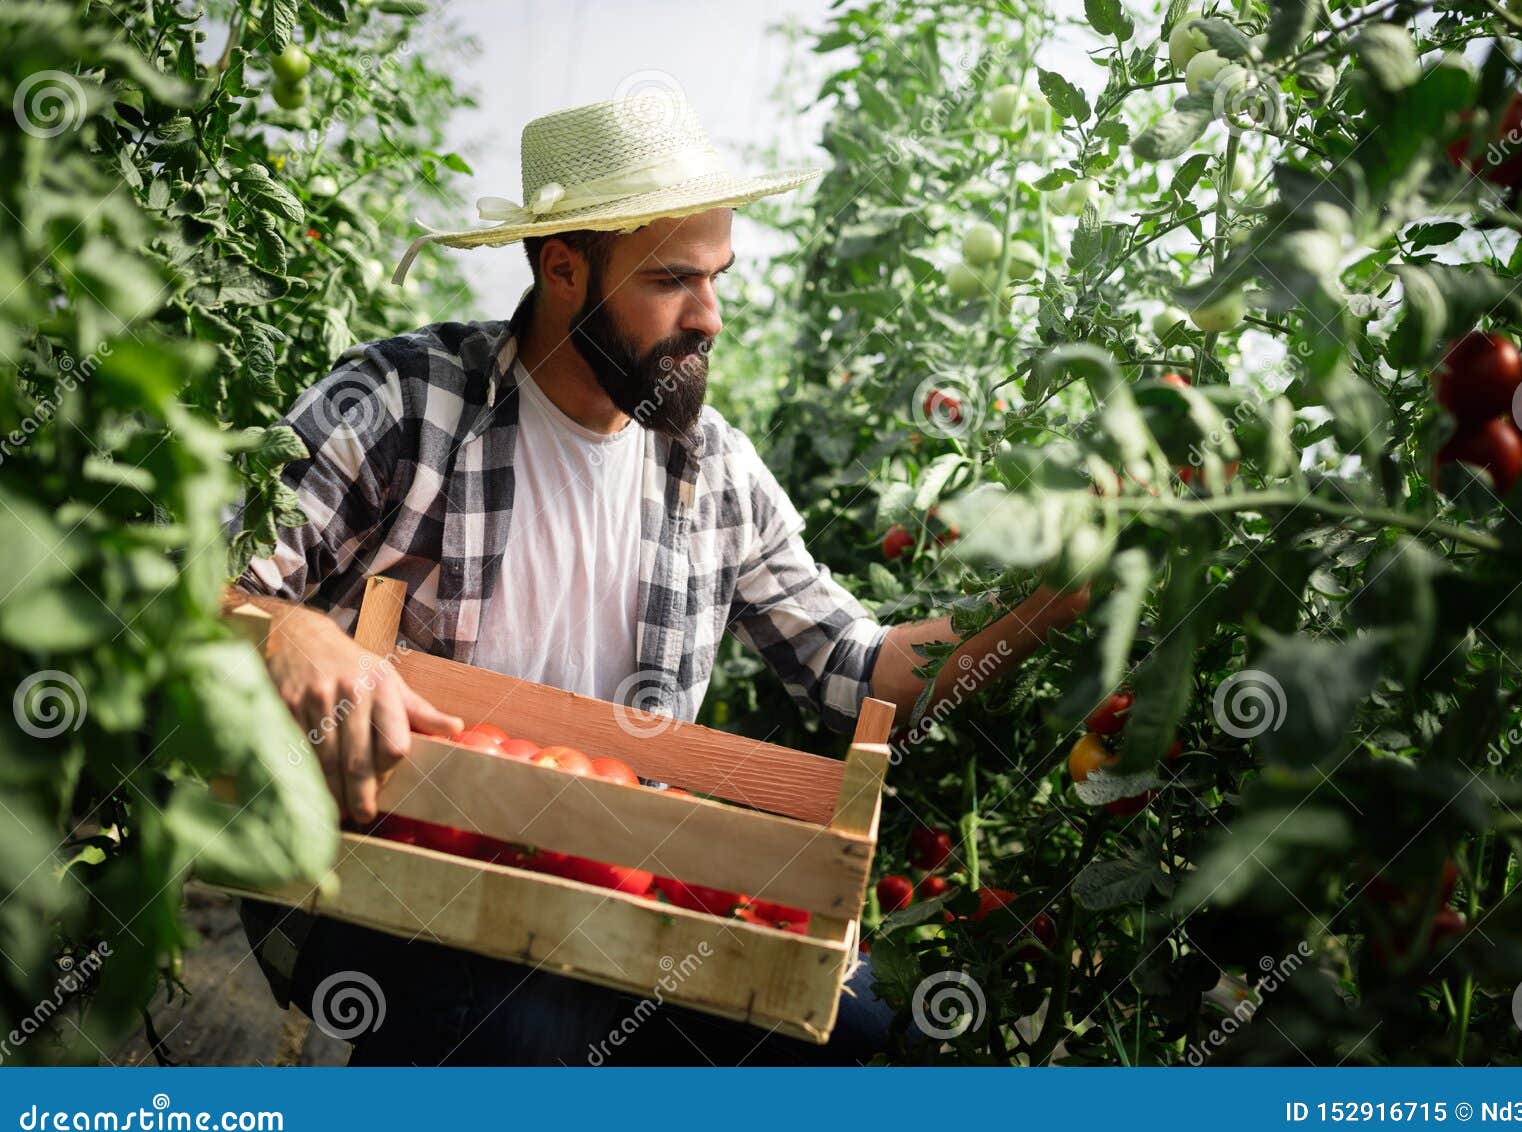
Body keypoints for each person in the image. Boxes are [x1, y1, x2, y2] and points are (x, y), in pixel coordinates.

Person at [226, 89, 1087, 1065]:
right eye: (673, 280)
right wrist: (282, 627)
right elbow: (191, 585)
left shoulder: (714, 473)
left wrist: (1054, 598)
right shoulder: (402, 401)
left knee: (873, 1042)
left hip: (614, 884)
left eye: (715, 275)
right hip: (381, 873)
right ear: (563, 267)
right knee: (527, 1024)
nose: (708, 315)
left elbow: (862, 668)